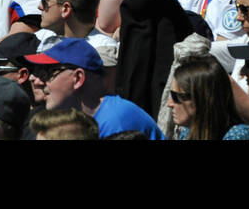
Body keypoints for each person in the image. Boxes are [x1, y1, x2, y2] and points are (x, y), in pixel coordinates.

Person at [28, 37, 163, 138]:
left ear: (78, 79)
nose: (37, 80)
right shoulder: (86, 120)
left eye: (47, 73)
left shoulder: (116, 123)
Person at [165, 55, 249, 140]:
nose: (169, 103)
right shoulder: (187, 131)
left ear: (203, 99)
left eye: (177, 97)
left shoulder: (237, 135)